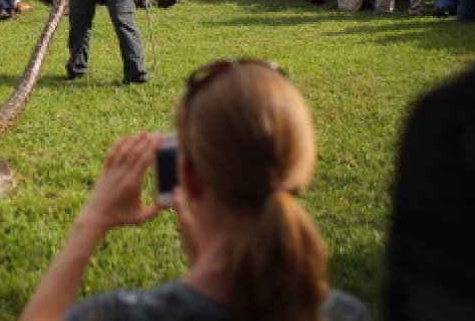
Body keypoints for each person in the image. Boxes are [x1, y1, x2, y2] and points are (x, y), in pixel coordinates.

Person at [21, 58, 369, 321]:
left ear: (186, 175)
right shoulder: (345, 312)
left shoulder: (121, 314)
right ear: (301, 167)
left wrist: (91, 222)